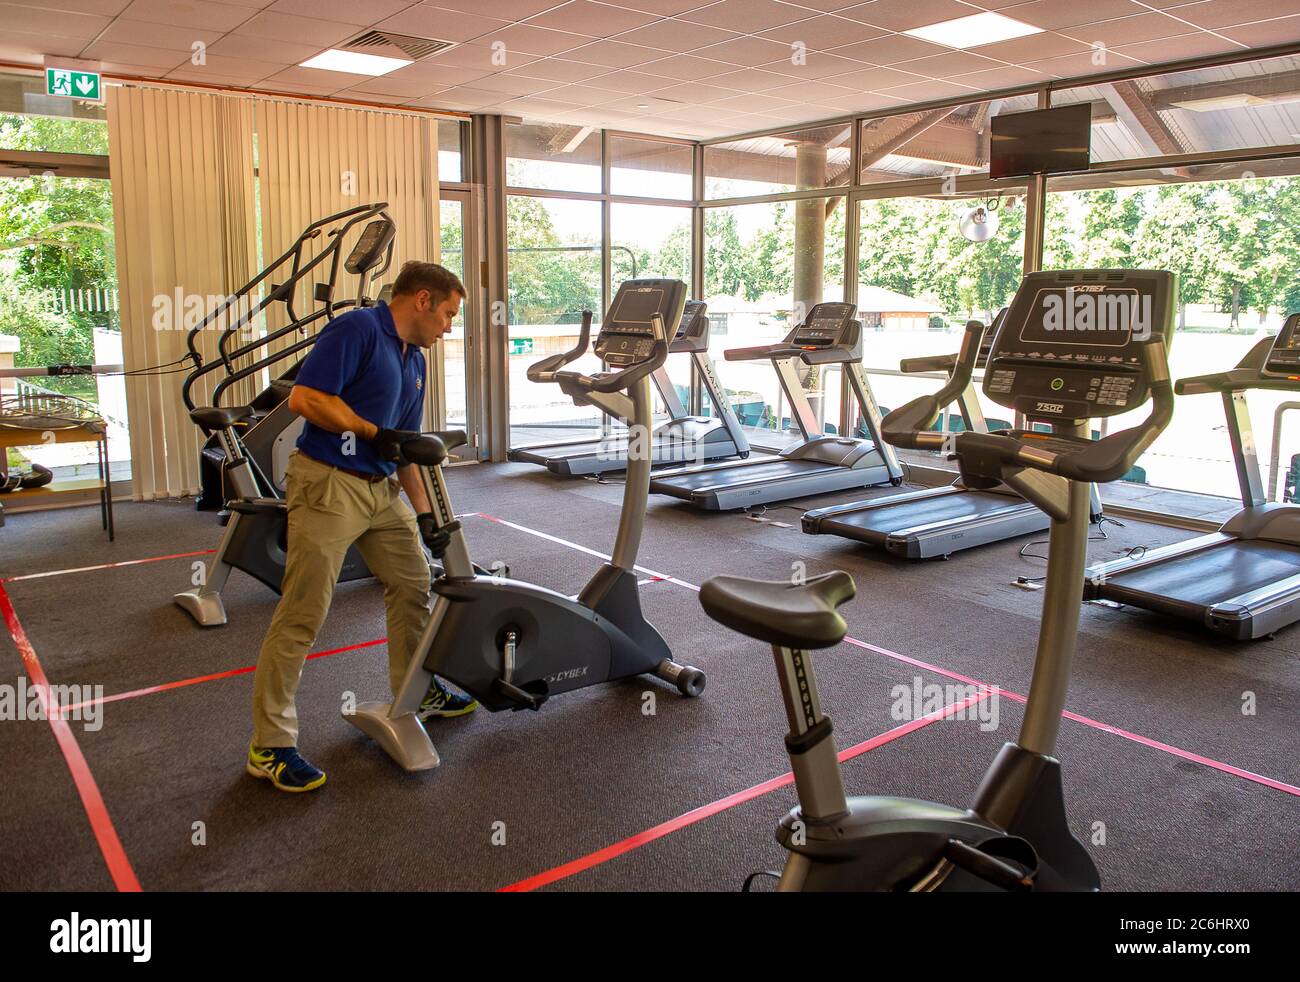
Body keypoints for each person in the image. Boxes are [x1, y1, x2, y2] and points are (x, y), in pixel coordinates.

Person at [246, 260, 474, 793]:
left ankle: (417, 690)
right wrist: (374, 431)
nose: (448, 326)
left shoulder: (414, 360)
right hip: (328, 483)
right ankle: (270, 744)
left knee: (415, 584)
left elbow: (406, 449)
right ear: (421, 299)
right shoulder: (358, 329)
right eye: (447, 314)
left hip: (381, 490)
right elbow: (306, 399)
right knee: (303, 611)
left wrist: (426, 518)